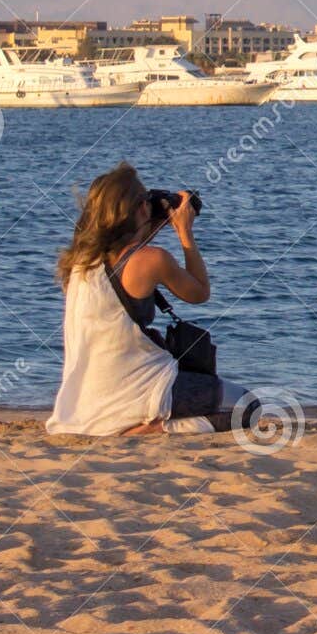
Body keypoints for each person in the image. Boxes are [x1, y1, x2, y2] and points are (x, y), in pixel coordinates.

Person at [46, 162, 252, 435]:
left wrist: (153, 220)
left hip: (85, 405)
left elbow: (124, 257)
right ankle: (151, 429)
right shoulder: (152, 259)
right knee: (249, 407)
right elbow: (200, 292)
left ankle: (138, 423)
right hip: (140, 390)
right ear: (141, 209)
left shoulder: (80, 263)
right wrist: (184, 231)